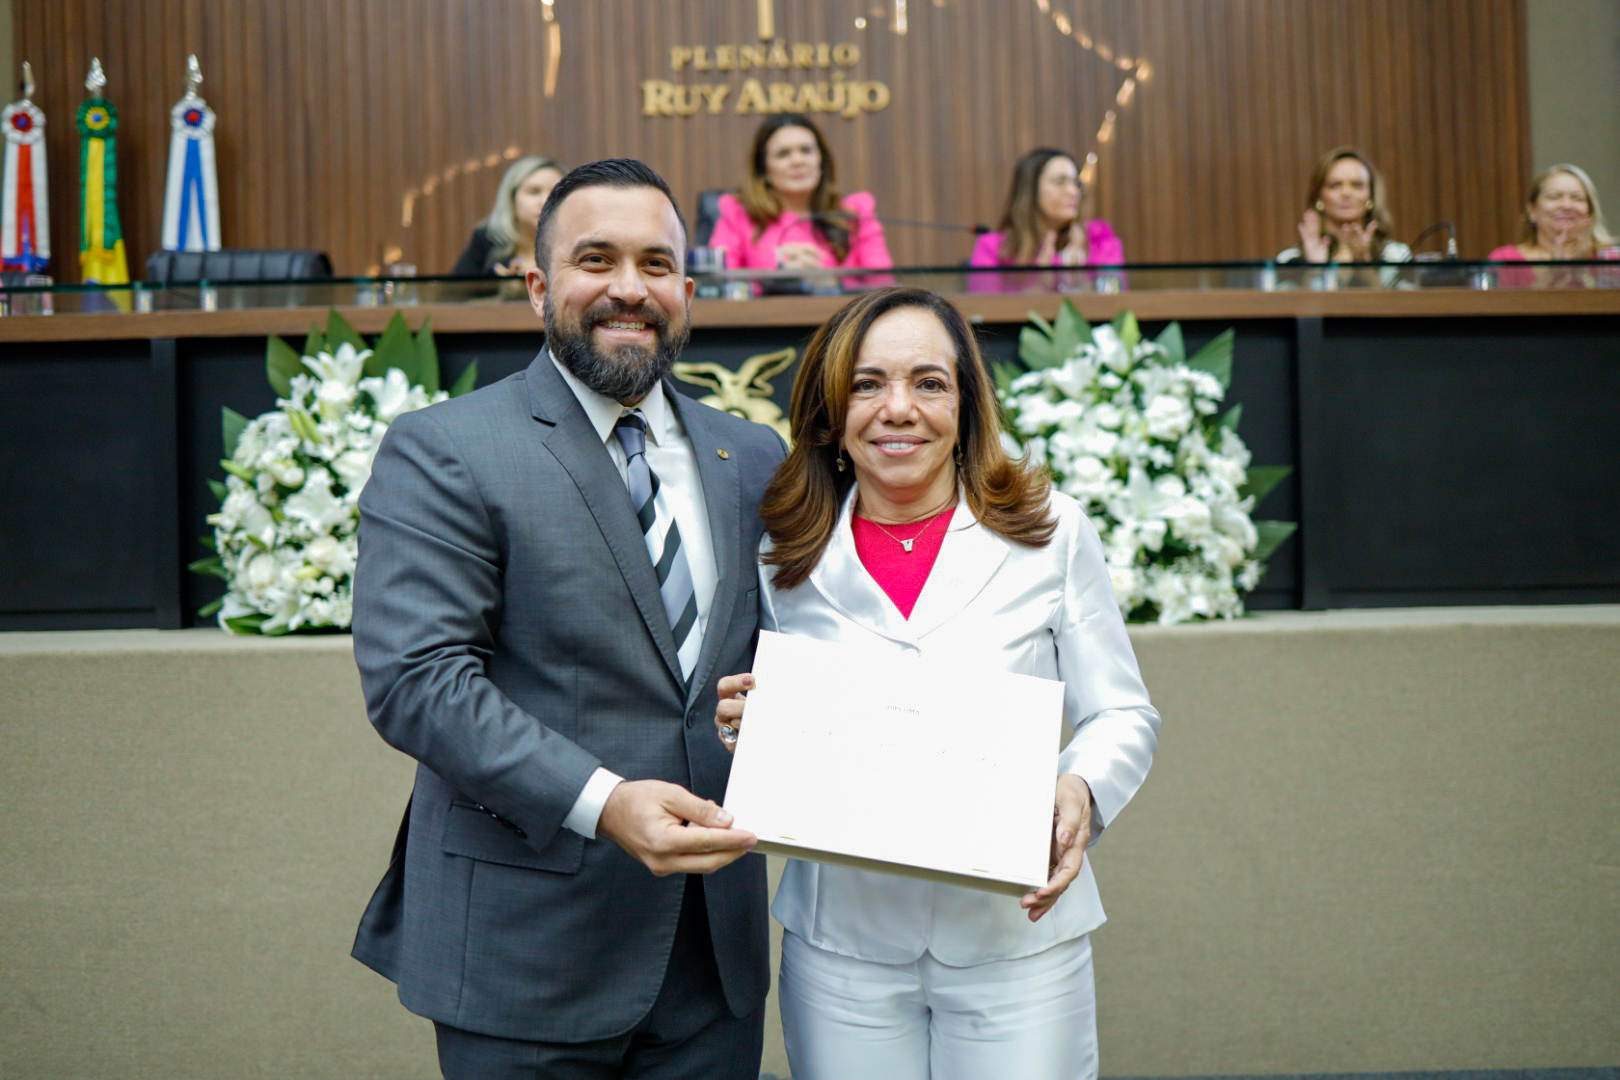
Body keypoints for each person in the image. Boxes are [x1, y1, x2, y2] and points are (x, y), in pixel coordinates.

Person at [352, 158, 787, 1079]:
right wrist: (604, 801)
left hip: (714, 962)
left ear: (689, 289)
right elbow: (418, 683)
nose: (630, 289)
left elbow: (801, 662)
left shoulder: (751, 455)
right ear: (539, 283)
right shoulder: (448, 449)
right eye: (597, 259)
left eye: (656, 265)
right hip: (526, 951)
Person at [712, 287, 1160, 1080]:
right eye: (868, 384)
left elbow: (1122, 710)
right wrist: (745, 724)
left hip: (1016, 940)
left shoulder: (1051, 532)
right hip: (843, 947)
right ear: (830, 414)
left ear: (965, 405)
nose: (898, 409)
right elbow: (781, 727)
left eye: (929, 382)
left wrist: (1083, 786)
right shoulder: (783, 553)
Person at [706, 112, 892, 280]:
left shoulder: (855, 213)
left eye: (806, 150)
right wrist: (778, 280)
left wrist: (828, 283)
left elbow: (882, 285)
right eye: (783, 154)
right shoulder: (737, 214)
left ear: (821, 162)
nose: (797, 161)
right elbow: (719, 285)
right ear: (764, 170)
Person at [969, 148, 1124, 271]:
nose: (1073, 191)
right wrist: (1040, 285)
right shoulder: (993, 248)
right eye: (1060, 182)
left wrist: (1080, 285)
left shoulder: (1099, 240)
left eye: (1076, 183)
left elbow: (1119, 303)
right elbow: (984, 309)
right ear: (1030, 191)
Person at [1486, 164, 1619, 287]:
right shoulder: (1505, 260)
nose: (1567, 205)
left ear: (1589, 213)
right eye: (1554, 197)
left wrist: (1581, 270)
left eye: (1577, 198)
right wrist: (1552, 275)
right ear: (1532, 211)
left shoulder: (1611, 258)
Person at [1278, 147, 1411, 265]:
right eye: (1335, 185)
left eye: (1357, 185)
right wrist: (1314, 269)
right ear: (1319, 196)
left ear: (1371, 195)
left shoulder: (1396, 255)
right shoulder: (1290, 259)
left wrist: (1365, 265)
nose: (1346, 193)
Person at [449, 154, 565, 276]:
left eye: (555, 193)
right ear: (511, 198)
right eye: (534, 192)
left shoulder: (575, 241)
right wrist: (504, 292)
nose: (545, 201)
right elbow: (456, 294)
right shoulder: (488, 240)